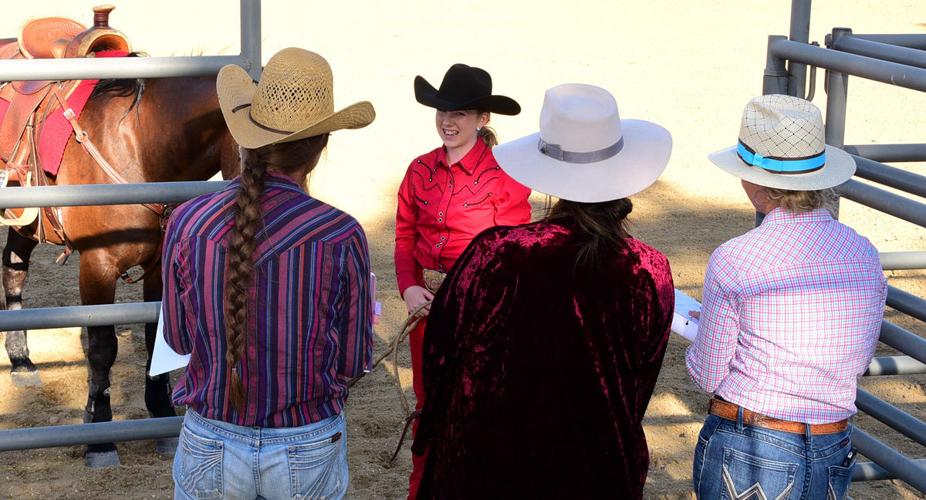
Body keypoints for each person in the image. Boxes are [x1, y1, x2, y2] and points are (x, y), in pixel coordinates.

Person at [411, 83, 675, 499]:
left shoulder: (496, 252)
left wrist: (438, 429)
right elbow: (640, 380)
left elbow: (442, 354)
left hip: (490, 462)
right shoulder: (649, 269)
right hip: (596, 465)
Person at [162, 48, 375, 500]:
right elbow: (352, 360)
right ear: (320, 148)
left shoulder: (188, 221)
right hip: (306, 440)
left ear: (247, 139)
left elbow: (178, 340)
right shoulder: (340, 234)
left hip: (210, 436)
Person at [687, 94, 887, 500]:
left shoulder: (736, 258)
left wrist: (702, 332)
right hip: (832, 441)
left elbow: (708, 374)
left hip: (751, 442)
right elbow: (858, 359)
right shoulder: (863, 253)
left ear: (754, 182)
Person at [394, 63, 531, 498]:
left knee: (473, 408)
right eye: (442, 111)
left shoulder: (505, 177)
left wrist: (467, 300)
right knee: (427, 405)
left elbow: (511, 256)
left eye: (460, 113)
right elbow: (405, 236)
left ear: (482, 119)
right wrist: (408, 286)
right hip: (424, 311)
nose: (448, 121)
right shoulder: (419, 170)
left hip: (478, 316)